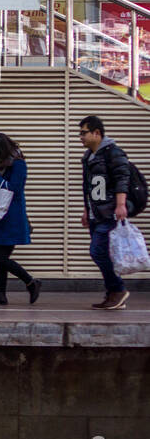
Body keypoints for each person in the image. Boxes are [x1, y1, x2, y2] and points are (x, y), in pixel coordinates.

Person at [79, 115, 132, 310]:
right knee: (103, 252)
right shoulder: (88, 157)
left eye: (83, 133)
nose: (80, 137)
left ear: (97, 133)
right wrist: (86, 210)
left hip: (109, 211)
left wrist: (121, 204)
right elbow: (88, 187)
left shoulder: (113, 153)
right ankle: (113, 294)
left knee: (97, 251)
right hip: (96, 213)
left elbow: (122, 179)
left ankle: (117, 289)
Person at [0, 132, 39, 305]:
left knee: (0, 257)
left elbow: (15, 188)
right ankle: (0, 293)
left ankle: (31, 282)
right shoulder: (0, 164)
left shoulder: (18, 164)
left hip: (11, 216)